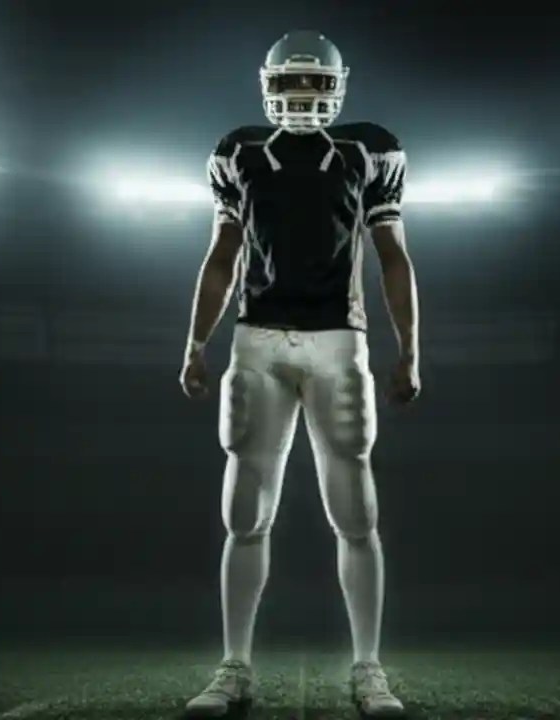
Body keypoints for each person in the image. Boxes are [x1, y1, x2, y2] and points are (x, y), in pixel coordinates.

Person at [178, 29, 420, 719]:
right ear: (268, 86)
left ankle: (369, 667)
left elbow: (393, 257)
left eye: (317, 85)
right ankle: (234, 668)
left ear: (338, 88)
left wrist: (411, 350)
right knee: (244, 515)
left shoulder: (365, 150)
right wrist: (194, 341)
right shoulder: (240, 152)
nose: (305, 97)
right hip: (257, 341)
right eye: (293, 85)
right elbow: (222, 256)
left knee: (356, 513)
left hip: (338, 342)